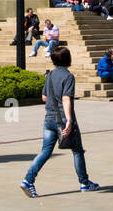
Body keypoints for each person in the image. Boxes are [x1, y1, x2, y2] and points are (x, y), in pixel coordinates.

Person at [21, 45, 100, 196]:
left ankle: (28, 180)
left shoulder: (49, 75)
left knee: (45, 151)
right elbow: (66, 99)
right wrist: (69, 120)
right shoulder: (68, 76)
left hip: (49, 119)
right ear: (68, 59)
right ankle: (84, 183)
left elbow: (44, 97)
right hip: (64, 120)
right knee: (77, 151)